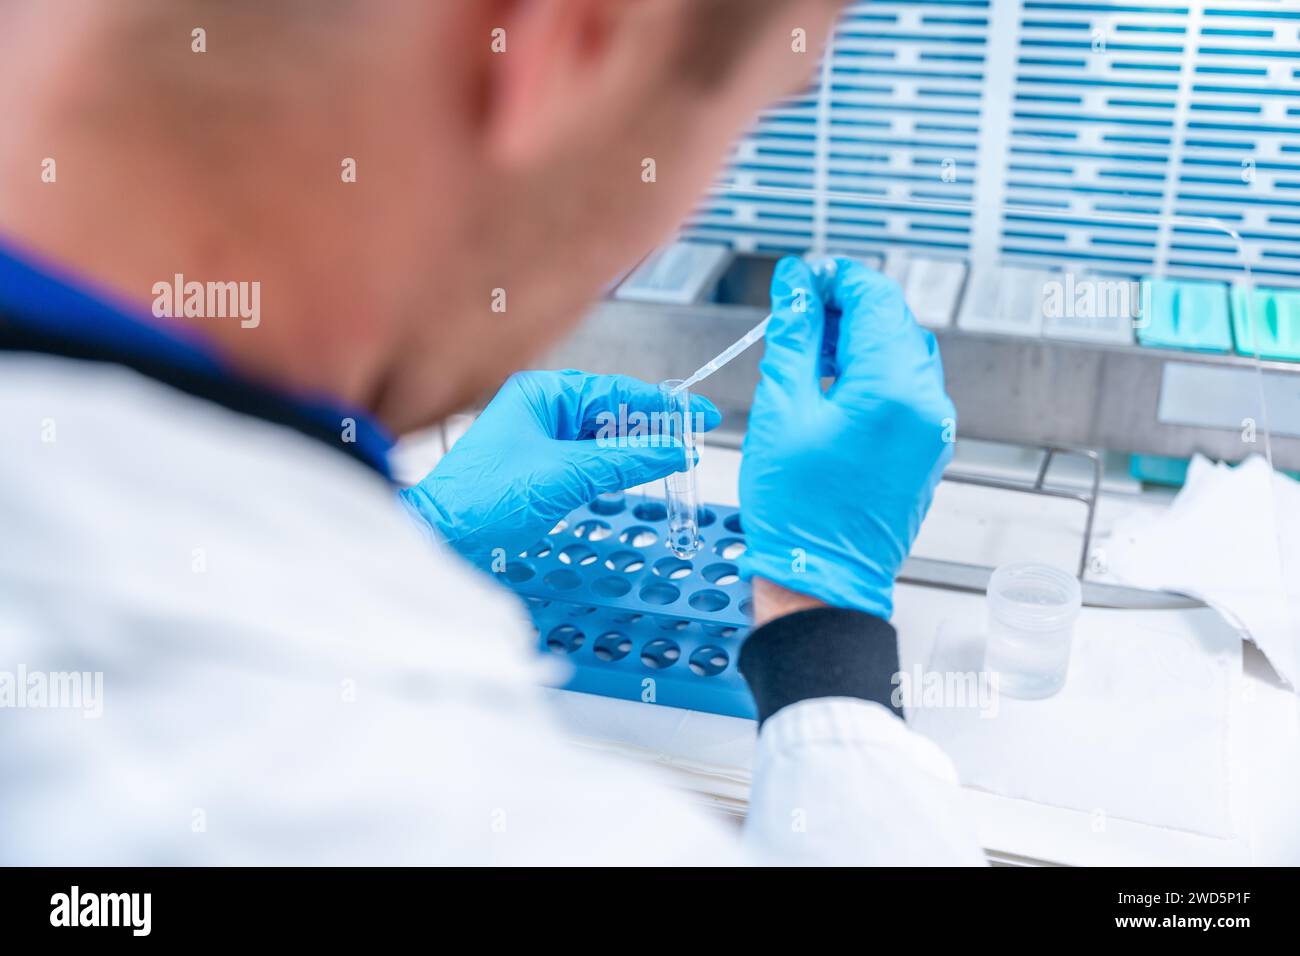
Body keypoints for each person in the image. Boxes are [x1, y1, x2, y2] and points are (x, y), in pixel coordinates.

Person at [0, 0, 982, 864]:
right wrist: (825, 629)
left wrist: (416, 534)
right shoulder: (400, 817)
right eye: (753, 109)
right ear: (561, 43)